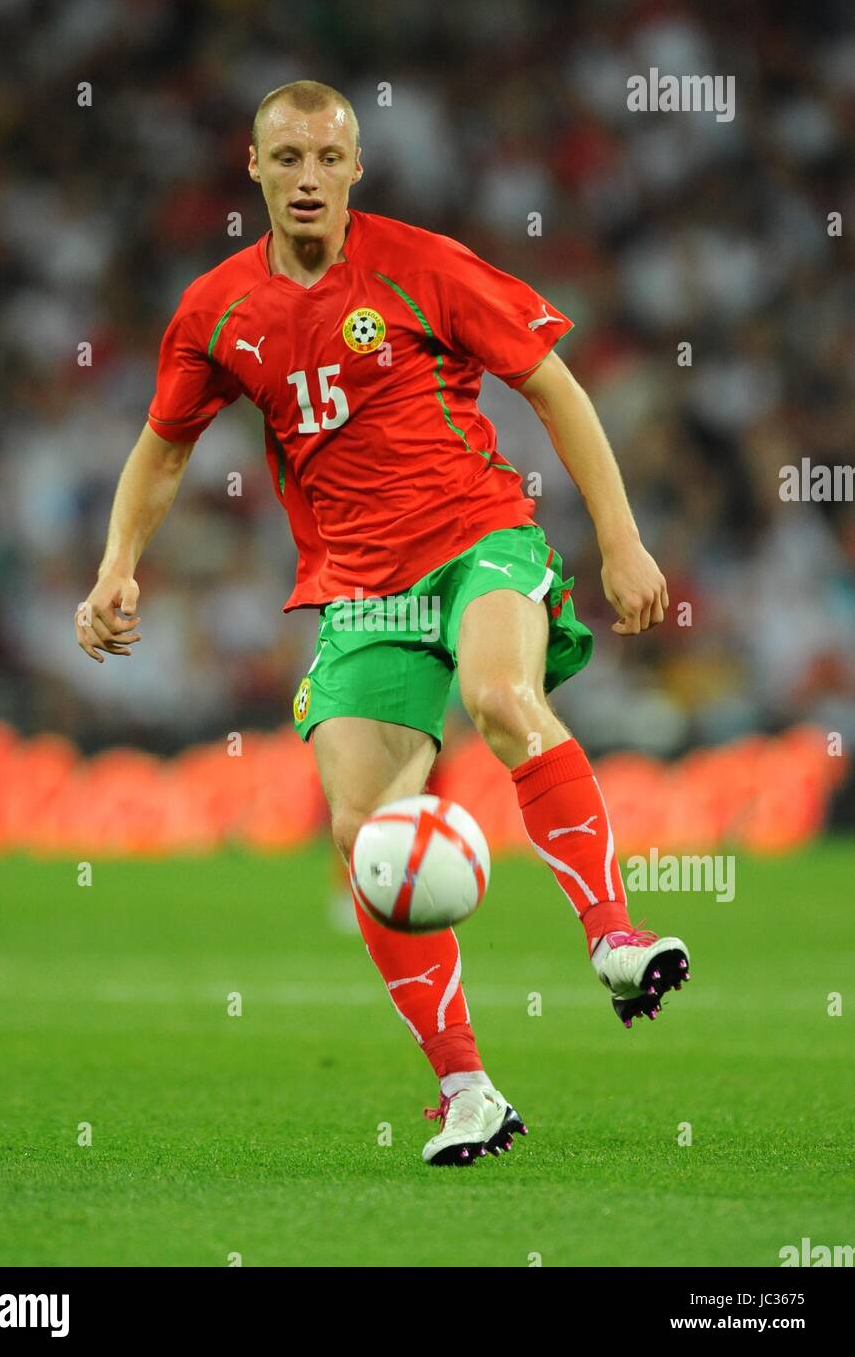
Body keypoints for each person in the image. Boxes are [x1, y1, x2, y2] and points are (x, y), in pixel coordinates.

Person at [76, 80, 690, 1167]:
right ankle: (466, 1089)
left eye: (327, 157)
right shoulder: (215, 309)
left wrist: (622, 538)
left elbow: (553, 388)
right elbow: (163, 448)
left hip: (477, 537)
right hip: (357, 591)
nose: (308, 177)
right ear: (252, 168)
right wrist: (117, 567)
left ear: (357, 169)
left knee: (503, 695)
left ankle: (613, 936)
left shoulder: (423, 264)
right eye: (287, 158)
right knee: (365, 843)